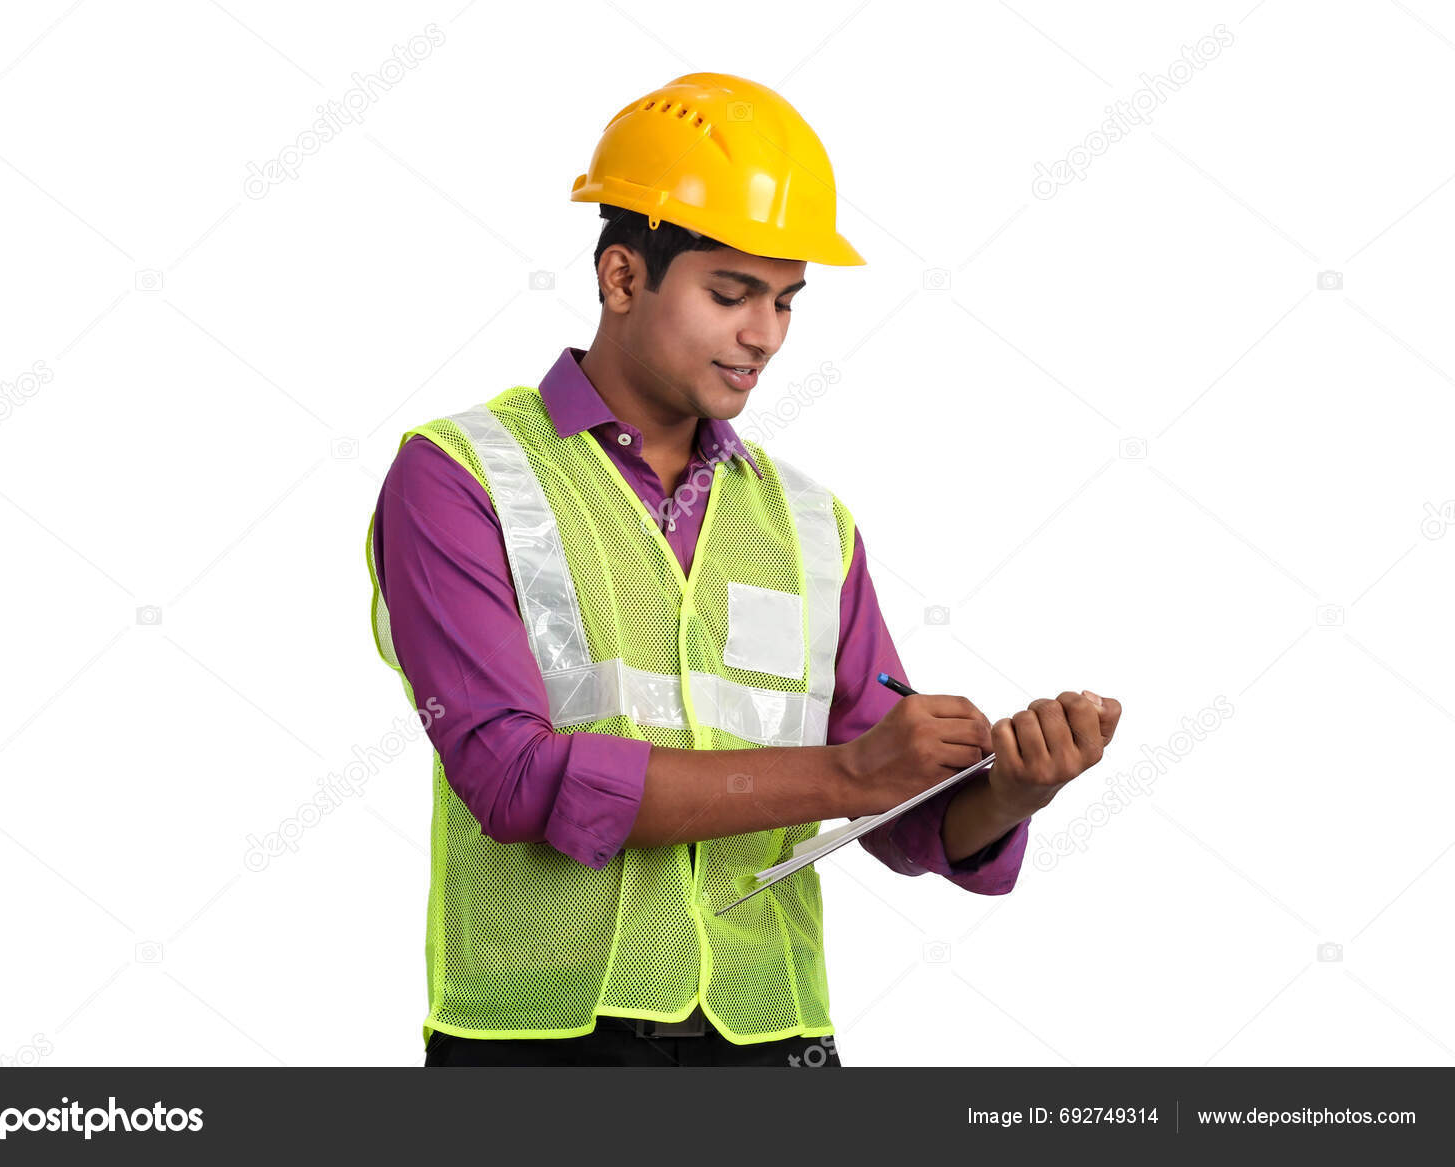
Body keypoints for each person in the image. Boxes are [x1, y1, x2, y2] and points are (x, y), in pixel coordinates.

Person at [364, 72, 1123, 1068]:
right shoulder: (463, 477)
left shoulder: (810, 525)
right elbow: (509, 778)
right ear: (622, 278)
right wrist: (847, 771)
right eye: (729, 294)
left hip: (777, 1043)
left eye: (785, 301)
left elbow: (895, 809)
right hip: (540, 1046)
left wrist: (1007, 790)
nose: (763, 335)